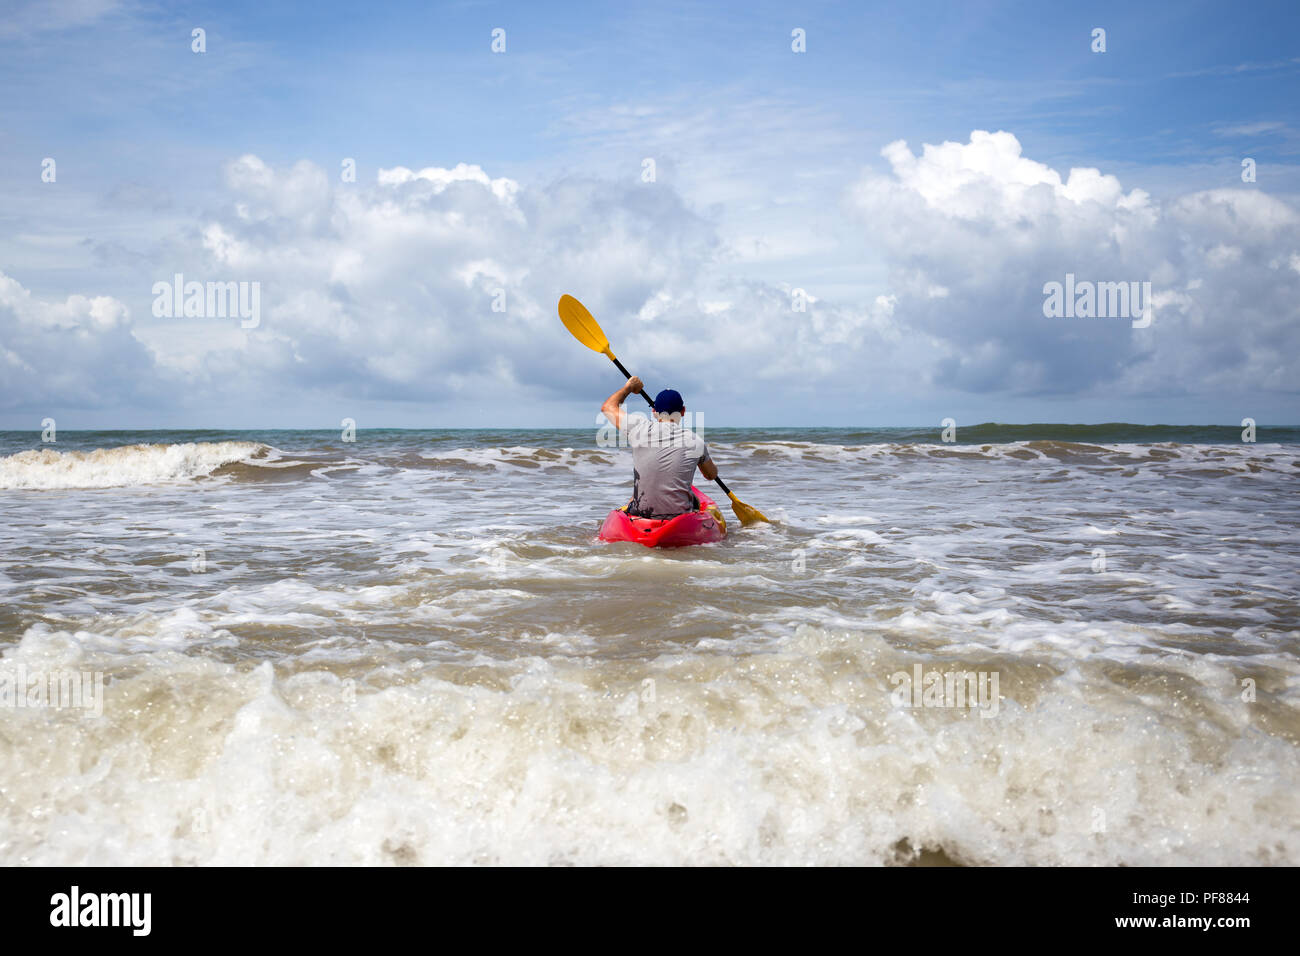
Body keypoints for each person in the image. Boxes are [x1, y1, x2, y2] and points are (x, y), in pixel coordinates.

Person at [600, 376, 717, 518]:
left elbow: (608, 407)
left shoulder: (638, 428)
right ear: (683, 411)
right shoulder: (695, 440)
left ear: (654, 411)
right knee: (696, 500)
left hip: (642, 514)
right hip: (679, 517)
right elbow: (711, 475)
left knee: (634, 497)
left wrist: (629, 387)